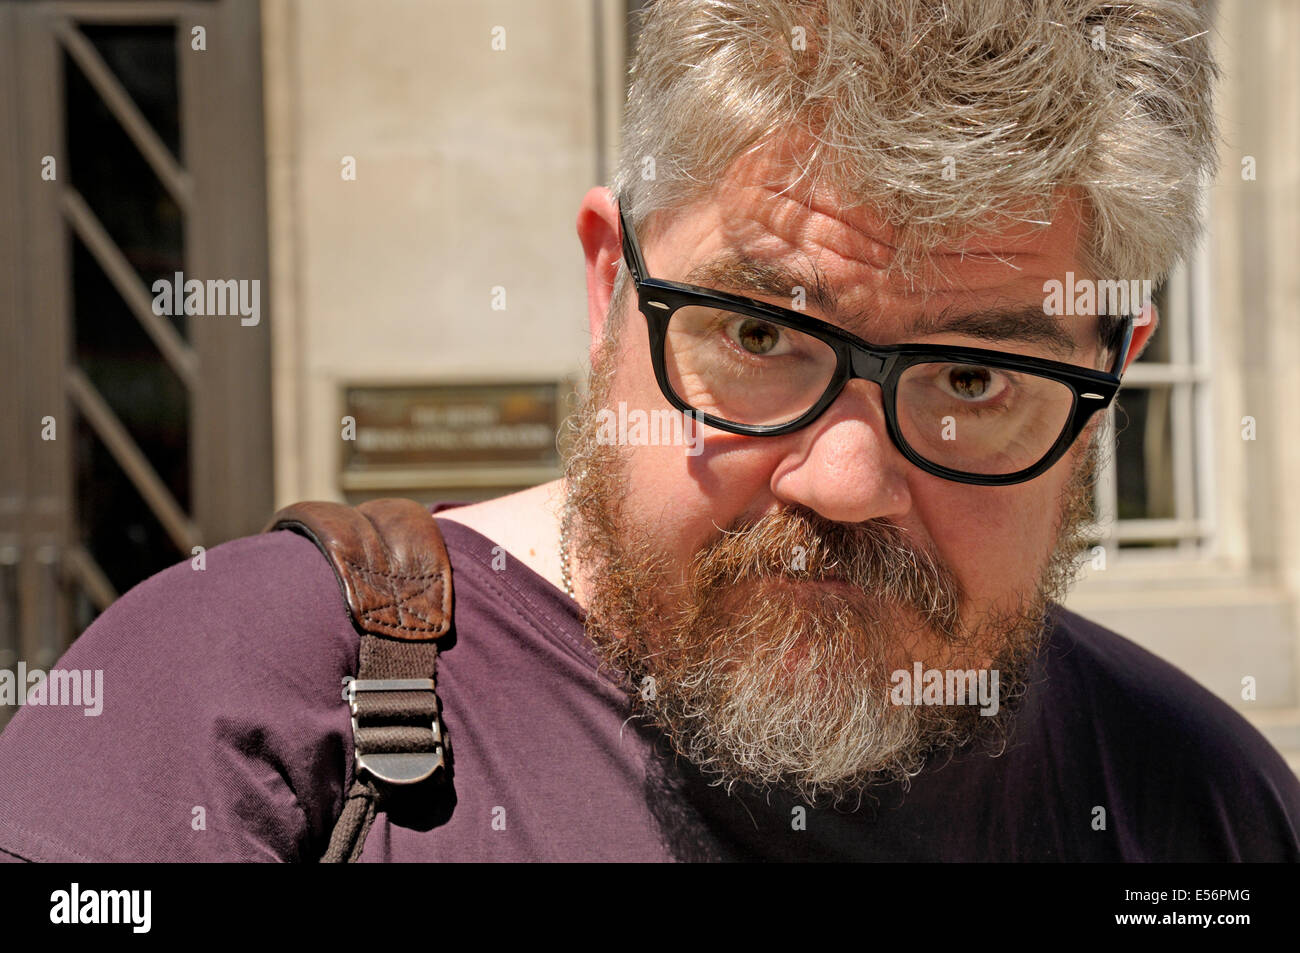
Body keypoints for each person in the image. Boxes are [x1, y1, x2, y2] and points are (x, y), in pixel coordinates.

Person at [1, 0, 1297, 862]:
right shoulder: (226, 715)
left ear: (1108, 375)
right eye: (761, 335)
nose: (846, 477)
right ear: (606, 279)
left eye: (972, 375)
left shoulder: (1206, 806)